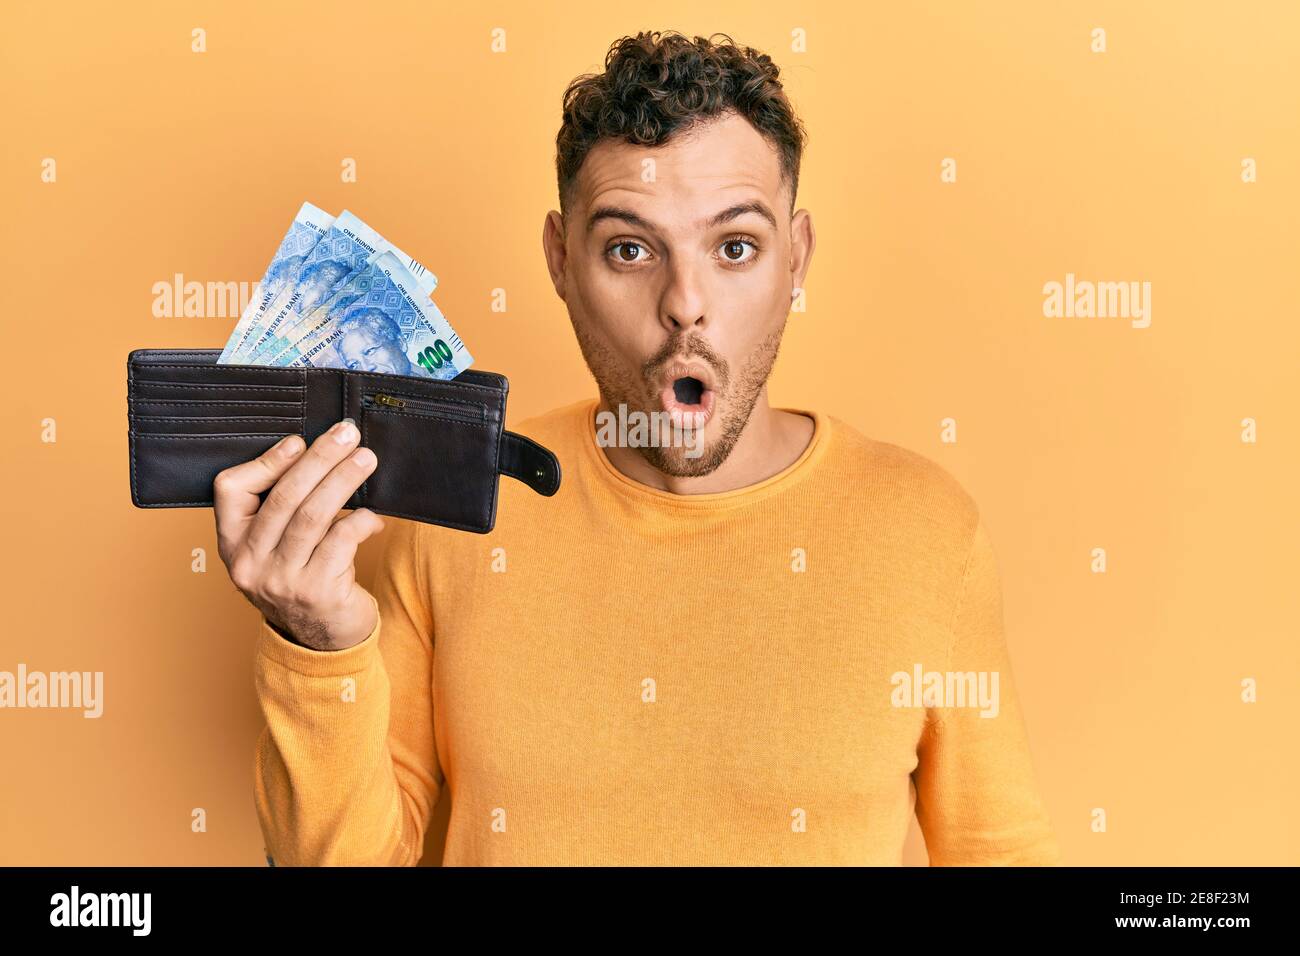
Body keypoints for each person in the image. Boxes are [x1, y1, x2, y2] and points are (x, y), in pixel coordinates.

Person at [215, 30, 1060, 866]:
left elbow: (1003, 855)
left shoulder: (924, 528)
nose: (685, 303)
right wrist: (317, 648)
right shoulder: (463, 502)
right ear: (560, 261)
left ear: (795, 260)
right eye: (629, 249)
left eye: (735, 247)